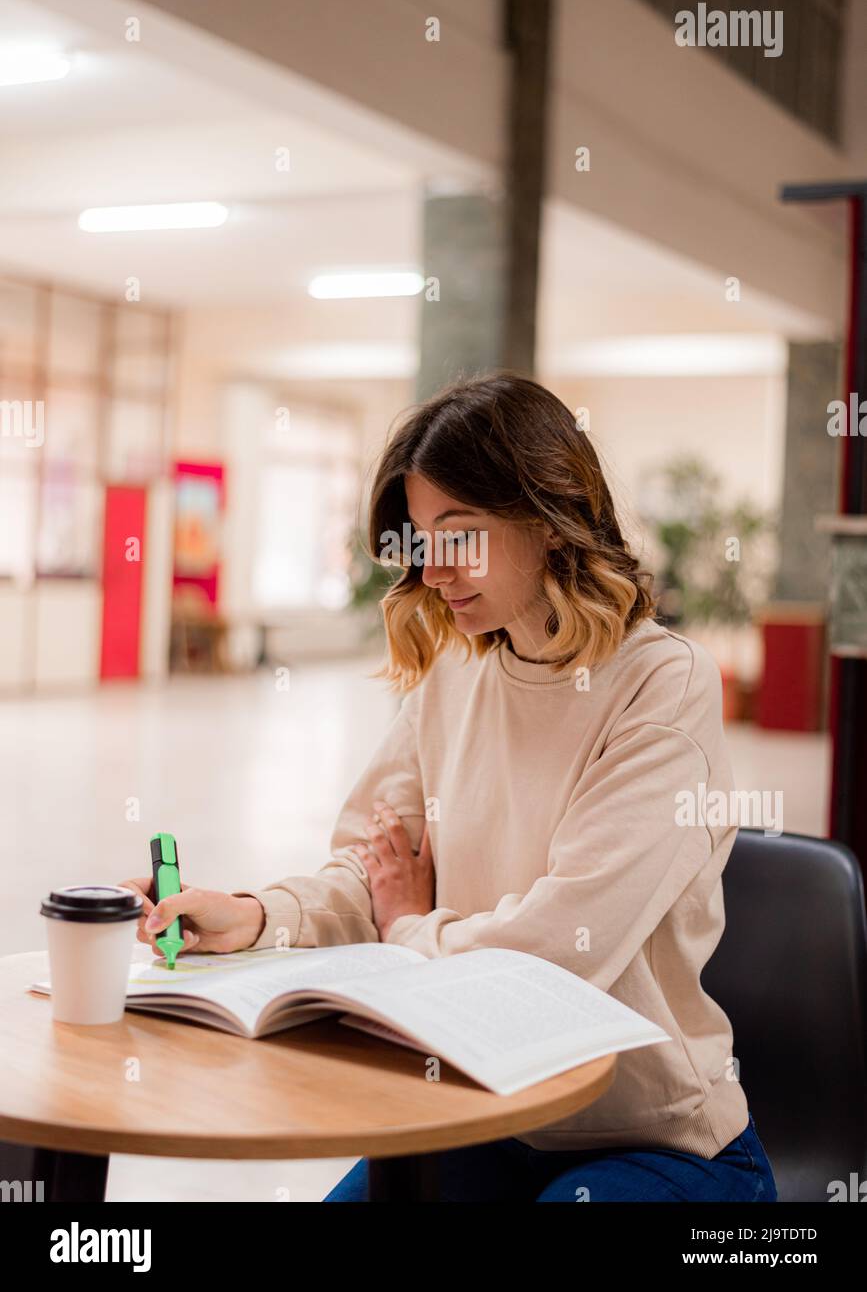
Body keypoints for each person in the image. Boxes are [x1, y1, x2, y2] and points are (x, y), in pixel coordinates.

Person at [121, 372, 778, 1203]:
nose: (431, 572)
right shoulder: (454, 676)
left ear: (547, 521)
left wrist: (406, 929)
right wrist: (255, 917)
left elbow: (558, 950)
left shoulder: (664, 683)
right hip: (477, 1107)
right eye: (419, 539)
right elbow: (372, 872)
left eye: (458, 535)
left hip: (654, 1140)